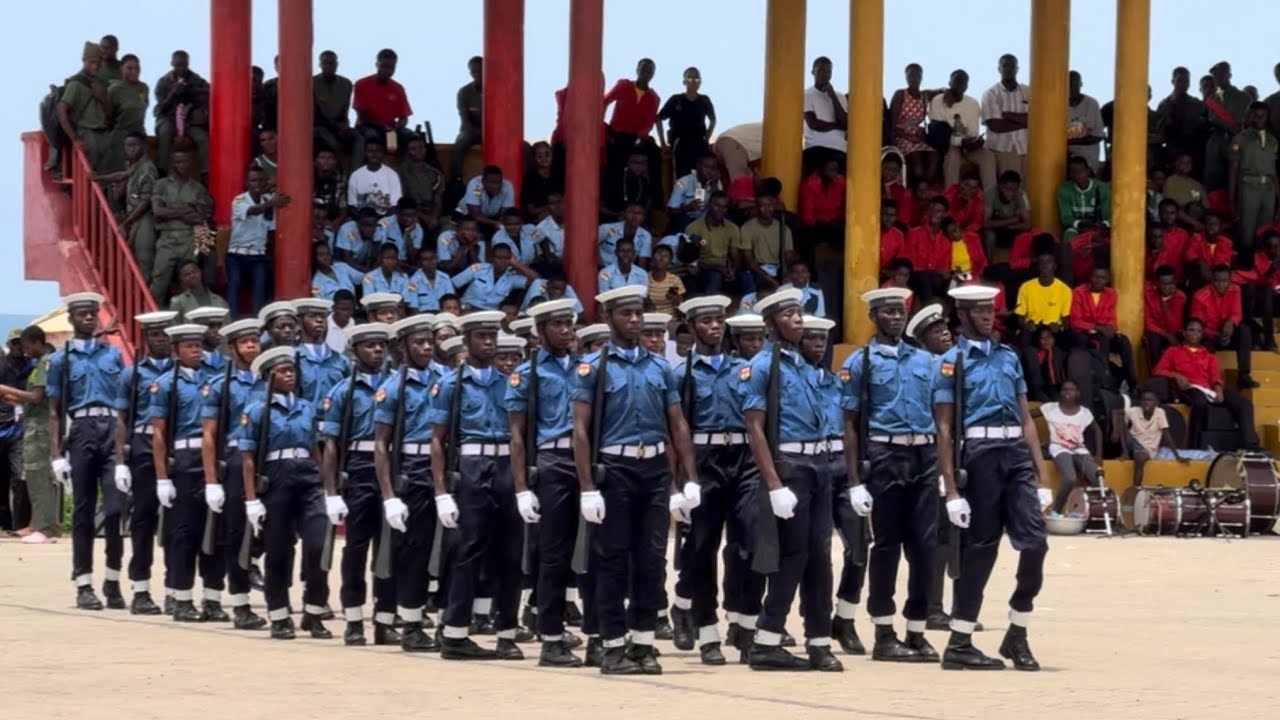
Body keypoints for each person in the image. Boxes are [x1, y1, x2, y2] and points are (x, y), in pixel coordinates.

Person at [573, 285, 699, 674]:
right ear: (608, 318)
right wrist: (587, 489)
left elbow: (677, 424)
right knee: (612, 560)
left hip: (655, 471)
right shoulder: (592, 367)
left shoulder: (660, 367)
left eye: (637, 314)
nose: (634, 320)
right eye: (625, 314)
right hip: (615, 471)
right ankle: (611, 646)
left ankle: (643, 642)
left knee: (651, 560)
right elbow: (580, 429)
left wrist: (687, 479)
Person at [934, 285, 1053, 671]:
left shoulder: (1008, 356)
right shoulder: (951, 362)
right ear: (963, 316)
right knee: (980, 550)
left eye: (990, 310)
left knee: (1035, 543)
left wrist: (1042, 475)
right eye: (980, 311)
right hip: (979, 456)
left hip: (1015, 453)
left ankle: (1017, 630)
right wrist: (951, 489)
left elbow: (1026, 418)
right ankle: (960, 642)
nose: (988, 317)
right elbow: (945, 428)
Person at [736, 288, 841, 671]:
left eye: (799, 312)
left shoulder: (805, 367)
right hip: (791, 468)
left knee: (820, 558)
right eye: (789, 314)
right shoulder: (762, 366)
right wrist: (775, 485)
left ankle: (819, 640)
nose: (798, 319)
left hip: (819, 468)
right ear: (770, 324)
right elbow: (755, 429)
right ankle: (766, 638)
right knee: (793, 556)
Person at [841, 287, 940, 662]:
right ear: (873, 317)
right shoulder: (860, 362)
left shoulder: (925, 360)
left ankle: (916, 629)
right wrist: (853, 482)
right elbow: (849, 424)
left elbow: (941, 415)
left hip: (924, 453)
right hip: (884, 454)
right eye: (888, 312)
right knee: (886, 547)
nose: (896, 317)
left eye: (900, 311)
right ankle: (884, 630)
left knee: (926, 546)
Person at [427, 311, 522, 659]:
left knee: (511, 552)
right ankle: (454, 633)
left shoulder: (508, 382)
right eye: (481, 336)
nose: (489, 343)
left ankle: (507, 632)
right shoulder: (451, 384)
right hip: (470, 465)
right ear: (466, 342)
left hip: (506, 466)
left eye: (492, 336)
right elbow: (437, 440)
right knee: (468, 552)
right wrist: (441, 494)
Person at [505, 299, 587, 667]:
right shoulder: (528, 373)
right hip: (552, 462)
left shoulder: (587, 369)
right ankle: (551, 637)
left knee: (593, 552)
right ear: (540, 331)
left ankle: (599, 634)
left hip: (588, 461)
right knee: (553, 554)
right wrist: (522, 486)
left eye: (569, 323)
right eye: (557, 324)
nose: (566, 330)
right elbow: (518, 435)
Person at [238, 346, 333, 640]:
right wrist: (252, 500)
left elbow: (315, 449)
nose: (291, 375)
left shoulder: (306, 407)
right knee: (278, 550)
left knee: (319, 545)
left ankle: (314, 611)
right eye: (283, 371)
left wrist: (329, 488)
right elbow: (248, 458)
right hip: (276, 478)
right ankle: (279, 614)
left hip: (308, 477)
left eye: (292, 370)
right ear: (268, 377)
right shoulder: (256, 411)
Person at [46, 293, 127, 610]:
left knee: (116, 508)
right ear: (71, 319)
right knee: (82, 511)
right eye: (83, 314)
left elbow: (123, 407)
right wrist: (56, 454)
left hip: (111, 431)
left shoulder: (113, 355)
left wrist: (124, 450)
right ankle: (83, 583)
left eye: (93, 313)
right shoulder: (60, 360)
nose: (90, 318)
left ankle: (112, 578)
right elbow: (53, 410)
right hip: (80, 432)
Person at [319, 322, 396, 646]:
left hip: (391, 468)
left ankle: (385, 619)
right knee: (356, 549)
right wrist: (332, 492)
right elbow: (332, 445)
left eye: (381, 345)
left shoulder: (396, 386)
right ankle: (353, 618)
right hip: (360, 470)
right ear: (355, 351)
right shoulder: (342, 392)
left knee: (389, 548)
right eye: (370, 346)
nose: (377, 350)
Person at [147, 323, 227, 622]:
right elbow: (158, 434)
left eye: (199, 345)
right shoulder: (166, 384)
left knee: (216, 532)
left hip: (214, 457)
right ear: (175, 350)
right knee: (185, 532)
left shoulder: (215, 379)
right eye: (190, 346)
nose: (197, 351)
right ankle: (181, 598)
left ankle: (212, 598)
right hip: (184, 459)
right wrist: (162, 477)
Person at [373, 315, 440, 652]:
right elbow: (381, 445)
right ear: (403, 347)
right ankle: (411, 623)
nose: (427, 347)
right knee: (415, 551)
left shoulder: (445, 379)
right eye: (419, 342)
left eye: (430, 341)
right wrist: (389, 497)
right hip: (412, 469)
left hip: (445, 467)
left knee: (450, 548)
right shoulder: (392, 388)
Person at [197, 318, 267, 630]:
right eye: (245, 341)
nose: (252, 346)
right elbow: (210, 436)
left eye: (255, 340)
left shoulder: (269, 381)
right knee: (236, 534)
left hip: (268, 460)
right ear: (233, 347)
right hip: (236, 461)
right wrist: (212, 481)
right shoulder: (221, 385)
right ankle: (240, 603)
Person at [110, 311, 177, 614]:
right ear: (146, 338)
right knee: (143, 518)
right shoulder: (132, 373)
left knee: (178, 521)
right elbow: (122, 418)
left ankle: (177, 589)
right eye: (155, 334)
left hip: (176, 446)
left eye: (165, 334)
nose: (161, 339)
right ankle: (141, 588)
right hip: (143, 445)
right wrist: (121, 460)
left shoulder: (182, 371)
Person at [1151, 318, 1259, 449]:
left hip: (1209, 389)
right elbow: (1158, 371)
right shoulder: (1173, 351)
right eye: (1191, 330)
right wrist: (1176, 375)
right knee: (1200, 401)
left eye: (1199, 331)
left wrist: (1218, 388)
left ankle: (1250, 444)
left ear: (1202, 335)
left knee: (1243, 403)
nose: (1195, 333)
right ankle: (1194, 446)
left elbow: (1215, 377)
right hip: (1189, 388)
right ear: (1184, 333)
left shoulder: (1209, 356)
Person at [151, 152, 214, 303]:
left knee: (189, 281)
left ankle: (189, 318)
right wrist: (184, 211)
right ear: (172, 163)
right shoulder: (161, 185)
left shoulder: (197, 188)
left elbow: (200, 216)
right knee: (159, 278)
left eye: (185, 161)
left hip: (189, 237)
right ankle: (152, 314)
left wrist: (171, 212)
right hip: (167, 237)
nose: (182, 165)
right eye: (178, 162)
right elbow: (157, 211)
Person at [229, 167, 289, 318]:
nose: (257, 183)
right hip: (236, 255)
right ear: (247, 183)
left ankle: (259, 324)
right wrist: (272, 203)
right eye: (253, 180)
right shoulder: (239, 199)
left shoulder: (269, 202)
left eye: (260, 180)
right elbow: (253, 211)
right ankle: (231, 322)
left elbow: (271, 231)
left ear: (265, 183)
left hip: (259, 256)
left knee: (260, 291)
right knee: (234, 287)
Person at [1040, 380, 1102, 515]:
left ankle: (1095, 514)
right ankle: (1055, 512)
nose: (1067, 392)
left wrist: (1098, 455)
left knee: (1097, 479)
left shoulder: (1084, 413)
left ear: (1077, 393)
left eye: (1071, 390)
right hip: (1058, 448)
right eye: (1064, 389)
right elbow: (1027, 415)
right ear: (1060, 393)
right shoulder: (1050, 408)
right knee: (1070, 478)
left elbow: (1097, 430)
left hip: (1079, 449)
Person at [1191, 265, 1258, 389]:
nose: (1221, 285)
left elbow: (1237, 313)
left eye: (1225, 281)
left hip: (1228, 333)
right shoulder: (1199, 296)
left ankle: (1243, 375)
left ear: (1230, 280)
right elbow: (1196, 328)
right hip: (1209, 335)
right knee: (1203, 346)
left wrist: (1230, 323)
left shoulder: (1236, 290)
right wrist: (1214, 335)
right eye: (1217, 281)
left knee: (1244, 330)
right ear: (1211, 280)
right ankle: (1205, 382)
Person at [930, 69, 995, 189]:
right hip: (948, 146)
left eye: (963, 82)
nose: (960, 85)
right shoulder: (938, 101)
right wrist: (961, 142)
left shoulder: (973, 104)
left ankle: (989, 200)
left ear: (967, 86)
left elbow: (972, 132)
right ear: (949, 83)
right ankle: (951, 199)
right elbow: (939, 132)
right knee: (953, 156)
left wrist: (974, 142)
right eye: (957, 81)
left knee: (988, 156)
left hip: (968, 146)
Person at [1229, 102, 1279, 257]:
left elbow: (1274, 171)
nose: (1258, 119)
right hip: (1249, 186)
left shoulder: (1273, 141)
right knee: (1247, 230)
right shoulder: (1240, 139)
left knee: (1265, 231)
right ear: (1249, 117)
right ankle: (1246, 267)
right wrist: (1232, 201)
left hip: (1268, 188)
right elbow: (1233, 171)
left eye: (1262, 116)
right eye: (1255, 115)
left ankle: (1263, 268)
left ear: (1267, 118)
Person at [153, 50, 210, 174]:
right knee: (165, 132)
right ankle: (162, 171)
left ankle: (206, 173)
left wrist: (193, 93)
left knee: (202, 138)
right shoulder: (163, 82)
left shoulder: (194, 78)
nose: (182, 68)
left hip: (188, 120)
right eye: (178, 65)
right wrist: (173, 93)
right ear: (172, 63)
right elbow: (160, 109)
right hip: (168, 118)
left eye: (184, 65)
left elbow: (210, 90)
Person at [57, 42, 110, 171]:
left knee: (103, 173)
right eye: (92, 62)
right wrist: (74, 138)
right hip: (86, 133)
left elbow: (109, 113)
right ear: (84, 61)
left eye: (99, 62)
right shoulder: (76, 84)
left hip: (102, 133)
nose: (96, 66)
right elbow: (61, 110)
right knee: (88, 172)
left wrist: (102, 98)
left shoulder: (99, 83)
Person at [353, 48, 414, 159]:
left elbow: (404, 117)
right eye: (384, 66)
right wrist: (383, 127)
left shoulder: (398, 88)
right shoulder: (362, 84)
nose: (387, 70)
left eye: (391, 67)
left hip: (390, 130)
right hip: (367, 127)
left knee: (413, 138)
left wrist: (398, 126)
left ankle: (407, 172)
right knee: (373, 137)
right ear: (377, 64)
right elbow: (362, 116)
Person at [1119, 389, 1187, 487]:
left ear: (1156, 403)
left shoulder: (1160, 413)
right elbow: (1117, 412)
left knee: (1140, 458)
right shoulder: (1135, 410)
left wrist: (1178, 456)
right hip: (1132, 441)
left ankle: (1136, 489)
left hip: (1147, 448)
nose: (1146, 402)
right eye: (1143, 400)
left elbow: (1167, 435)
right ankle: (1125, 453)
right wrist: (1116, 430)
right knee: (1122, 426)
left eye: (1150, 400)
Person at [658, 67, 716, 180]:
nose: (693, 81)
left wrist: (706, 138)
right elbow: (659, 118)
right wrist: (663, 143)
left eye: (696, 78)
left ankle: (700, 197)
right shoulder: (676, 99)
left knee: (702, 176)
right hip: (680, 143)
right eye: (690, 78)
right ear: (684, 81)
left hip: (699, 142)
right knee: (683, 177)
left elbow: (712, 120)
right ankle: (682, 197)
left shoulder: (704, 100)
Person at [294, 298, 351, 408]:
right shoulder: (293, 358)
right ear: (300, 321)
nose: (319, 320)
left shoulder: (341, 360)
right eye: (312, 316)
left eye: (323, 316)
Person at [981, 55, 1030, 179]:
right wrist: (1025, 122)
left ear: (1017, 69)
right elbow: (996, 125)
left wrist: (1008, 116)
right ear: (999, 69)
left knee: (1030, 192)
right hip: (1004, 149)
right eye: (1005, 66)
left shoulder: (1029, 91)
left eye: (1012, 66)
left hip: (1028, 147)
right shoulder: (991, 94)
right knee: (1011, 192)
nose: (1009, 69)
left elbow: (1038, 119)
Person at [889, 64, 938, 183]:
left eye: (917, 75)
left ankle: (926, 188)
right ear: (906, 77)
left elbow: (940, 90)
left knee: (934, 157)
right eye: (911, 75)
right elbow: (892, 123)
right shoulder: (900, 94)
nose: (914, 78)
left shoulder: (924, 96)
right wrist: (907, 136)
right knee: (917, 161)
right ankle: (914, 190)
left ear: (921, 77)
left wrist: (946, 93)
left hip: (917, 137)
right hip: (901, 135)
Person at [802, 57, 849, 174]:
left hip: (840, 149)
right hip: (816, 148)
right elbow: (814, 124)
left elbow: (846, 123)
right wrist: (836, 126)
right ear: (813, 72)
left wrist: (832, 96)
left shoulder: (840, 96)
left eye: (828, 71)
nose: (825, 74)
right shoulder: (807, 94)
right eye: (821, 71)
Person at [1143, 265, 1187, 368]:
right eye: (1164, 284)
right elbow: (1148, 322)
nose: (1167, 287)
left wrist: (1167, 310)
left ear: (1175, 282)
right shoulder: (1149, 295)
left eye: (1171, 283)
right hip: (1157, 332)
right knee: (1153, 339)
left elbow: (1175, 326)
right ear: (1157, 284)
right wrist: (1165, 334)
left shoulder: (1180, 297)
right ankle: (1156, 374)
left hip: (1174, 331)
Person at [347, 136, 402, 215]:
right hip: (361, 221)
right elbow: (352, 206)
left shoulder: (392, 175)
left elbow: (395, 205)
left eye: (378, 151)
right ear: (365, 153)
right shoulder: (355, 176)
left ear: (383, 153)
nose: (374, 154)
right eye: (370, 151)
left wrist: (381, 221)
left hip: (386, 220)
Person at [452, 56, 483, 181]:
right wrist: (480, 133)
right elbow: (465, 121)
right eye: (474, 72)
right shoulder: (464, 92)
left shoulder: (499, 89)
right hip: (472, 131)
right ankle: (456, 179)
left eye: (480, 71)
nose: (477, 75)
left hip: (496, 133)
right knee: (461, 141)